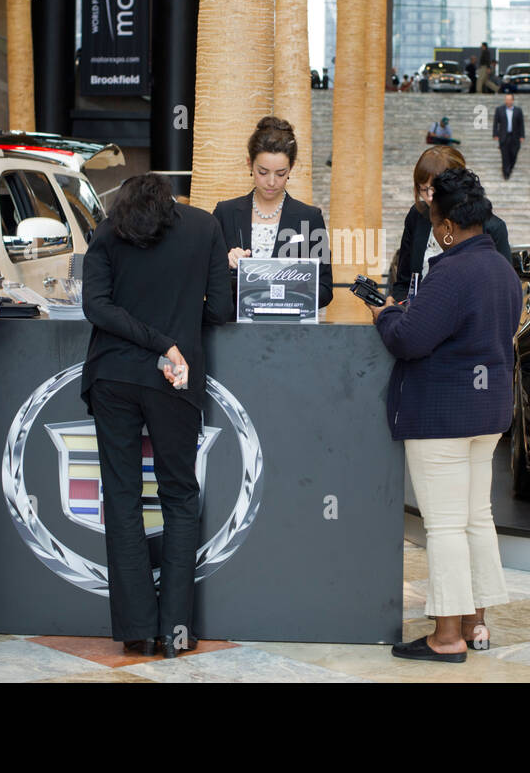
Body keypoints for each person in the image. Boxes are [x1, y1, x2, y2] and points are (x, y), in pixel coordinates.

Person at [369, 168, 521, 662]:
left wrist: (387, 313)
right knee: (478, 518)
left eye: (435, 221)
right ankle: (476, 624)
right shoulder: (502, 268)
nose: (433, 229)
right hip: (489, 414)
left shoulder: (452, 271)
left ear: (449, 225)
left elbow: (409, 339)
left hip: (444, 417)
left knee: (445, 526)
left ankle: (447, 637)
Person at [82, 174, 232, 658]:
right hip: (175, 375)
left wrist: (148, 334)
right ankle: (176, 631)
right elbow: (224, 308)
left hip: (113, 378)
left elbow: (95, 307)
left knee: (122, 496)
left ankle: (136, 630)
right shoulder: (204, 226)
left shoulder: (109, 230)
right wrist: (176, 326)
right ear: (170, 200)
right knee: (179, 495)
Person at [212, 116, 334, 311]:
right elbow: (202, 279)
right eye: (262, 172)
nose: (271, 182)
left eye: (280, 173)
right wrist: (224, 263)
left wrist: (290, 286)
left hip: (289, 331)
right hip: (234, 331)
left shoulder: (309, 218)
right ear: (249, 164)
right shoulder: (225, 213)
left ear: (291, 168)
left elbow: (325, 289)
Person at [391, 146, 513, 302]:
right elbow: (403, 282)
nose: (429, 197)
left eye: (434, 189)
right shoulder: (417, 216)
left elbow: (503, 292)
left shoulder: (492, 228)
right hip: (420, 317)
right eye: (423, 189)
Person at [491, 92, 525, 179]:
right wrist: (495, 134)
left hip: (515, 136)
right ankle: (506, 172)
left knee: (514, 154)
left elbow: (521, 124)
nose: (508, 101)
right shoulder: (499, 109)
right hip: (503, 136)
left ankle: (510, 167)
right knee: (505, 155)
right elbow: (495, 123)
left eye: (510, 99)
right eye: (506, 99)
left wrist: (522, 135)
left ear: (513, 100)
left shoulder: (518, 110)